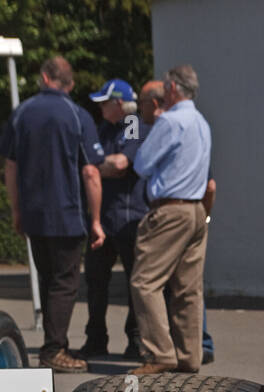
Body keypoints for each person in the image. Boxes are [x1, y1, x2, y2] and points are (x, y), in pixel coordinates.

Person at [0, 54, 105, 372]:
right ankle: (54, 349)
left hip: (35, 215)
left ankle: (53, 343)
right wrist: (97, 219)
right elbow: (91, 173)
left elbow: (11, 168)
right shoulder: (77, 115)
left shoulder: (21, 114)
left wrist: (17, 211)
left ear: (45, 78)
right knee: (64, 281)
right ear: (68, 83)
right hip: (67, 215)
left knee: (48, 279)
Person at [129, 64, 211, 374]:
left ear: (173, 89)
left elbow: (142, 164)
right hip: (195, 209)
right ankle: (189, 355)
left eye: (165, 87)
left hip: (170, 211)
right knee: (188, 287)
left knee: (144, 281)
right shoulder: (202, 122)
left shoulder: (171, 121)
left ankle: (160, 353)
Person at [77, 78, 147, 359]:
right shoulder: (103, 127)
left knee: (136, 284)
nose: (100, 108)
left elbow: (120, 164)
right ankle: (95, 340)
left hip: (130, 219)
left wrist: (94, 167)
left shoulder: (134, 125)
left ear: (119, 103)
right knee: (95, 283)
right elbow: (99, 165)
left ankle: (136, 341)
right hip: (103, 220)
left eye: (104, 103)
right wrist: (98, 166)